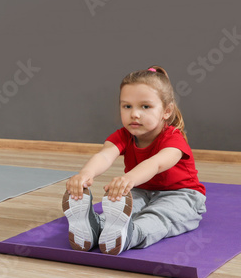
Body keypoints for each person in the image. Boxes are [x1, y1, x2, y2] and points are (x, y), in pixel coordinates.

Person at [62, 66, 205, 255]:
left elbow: (156, 163)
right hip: (141, 189)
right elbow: (105, 155)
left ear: (166, 111)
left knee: (160, 216)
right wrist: (85, 174)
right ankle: (97, 227)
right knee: (123, 206)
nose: (134, 114)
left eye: (145, 106)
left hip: (182, 195)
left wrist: (129, 179)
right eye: (127, 106)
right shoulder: (124, 135)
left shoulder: (173, 138)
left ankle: (132, 234)